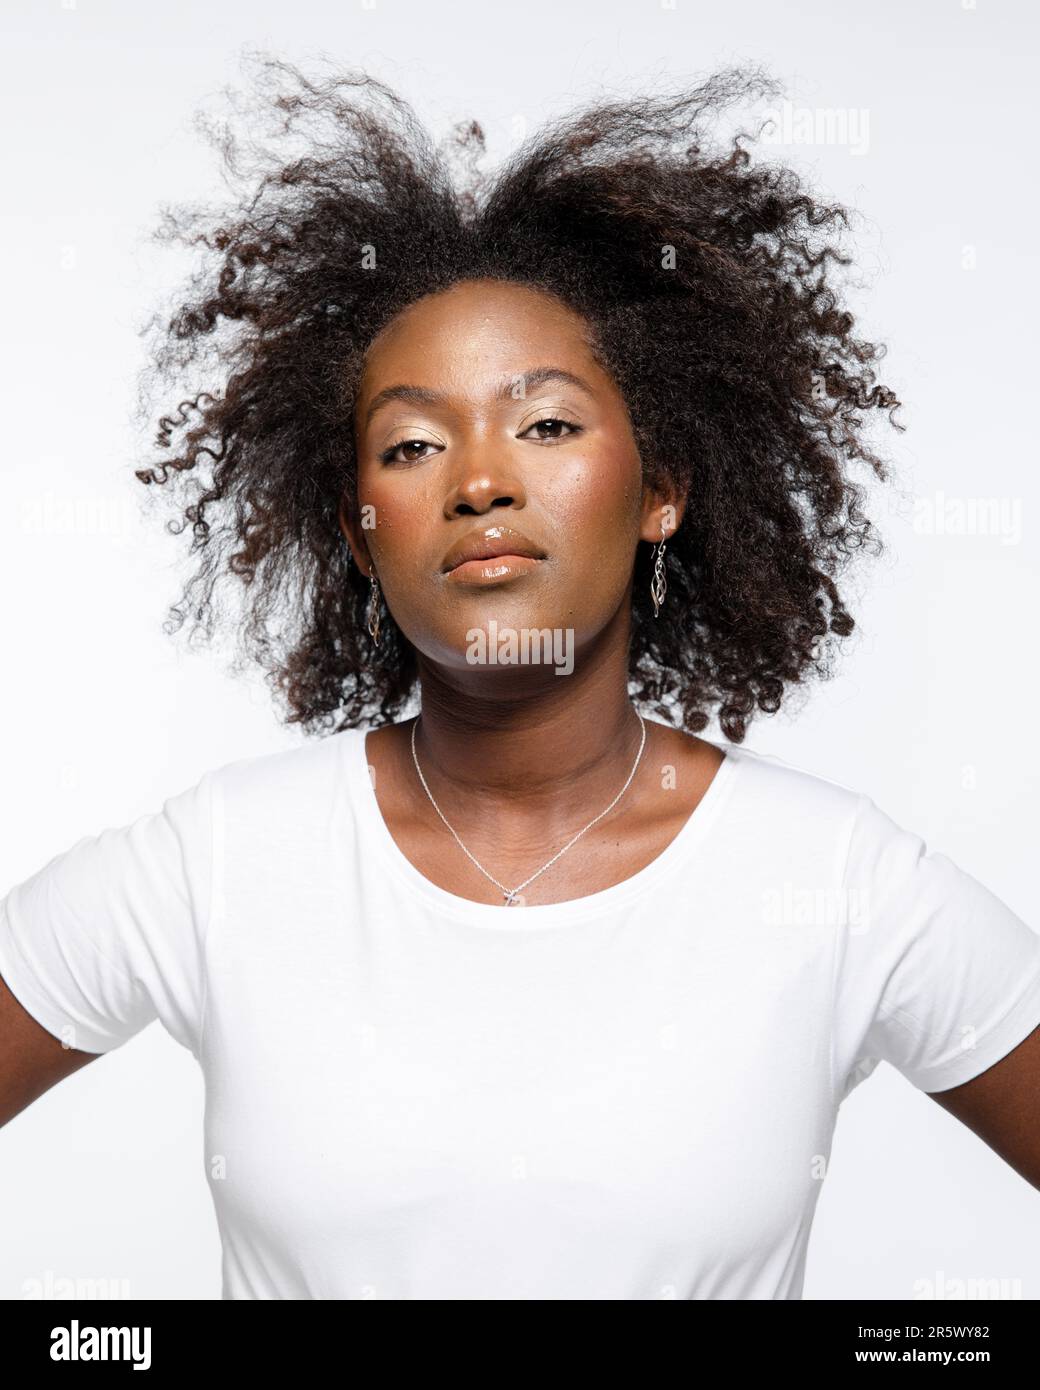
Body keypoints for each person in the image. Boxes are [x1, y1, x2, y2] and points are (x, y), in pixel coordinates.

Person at [2, 56, 1039, 1301]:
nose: (480, 480)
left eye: (545, 424)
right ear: (358, 531)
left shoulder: (840, 884)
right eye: (411, 444)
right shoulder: (212, 864)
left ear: (660, 492)